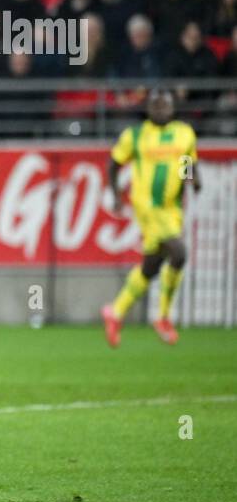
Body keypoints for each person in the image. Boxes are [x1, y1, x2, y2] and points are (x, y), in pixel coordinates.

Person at [101, 88, 200, 347]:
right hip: (148, 207)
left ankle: (116, 311)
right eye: (155, 105)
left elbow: (187, 162)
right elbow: (113, 163)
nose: (160, 109)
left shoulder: (184, 133)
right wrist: (116, 194)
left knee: (151, 266)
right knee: (179, 254)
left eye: (164, 104)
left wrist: (193, 180)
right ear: (147, 108)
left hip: (172, 209)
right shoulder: (135, 136)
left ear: (173, 107)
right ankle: (163, 317)